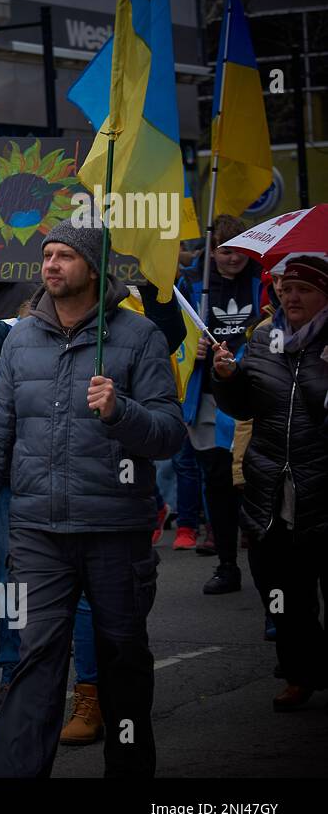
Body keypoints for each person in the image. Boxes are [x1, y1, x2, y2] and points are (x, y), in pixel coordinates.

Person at [0, 221, 185, 777]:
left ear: (95, 267)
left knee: (122, 659)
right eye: (46, 256)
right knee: (37, 661)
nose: (50, 265)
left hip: (115, 533)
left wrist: (121, 411)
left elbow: (170, 432)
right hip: (38, 535)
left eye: (64, 257)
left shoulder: (138, 336)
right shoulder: (23, 339)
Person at [212, 254, 328, 712]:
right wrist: (227, 378)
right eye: (286, 287)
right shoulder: (263, 337)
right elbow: (244, 406)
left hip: (322, 487)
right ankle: (301, 671)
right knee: (279, 589)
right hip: (272, 490)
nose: (291, 295)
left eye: (304, 288)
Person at [180, 214, 263, 594]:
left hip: (256, 400)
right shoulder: (194, 285)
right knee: (217, 480)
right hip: (210, 401)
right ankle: (227, 564)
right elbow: (171, 335)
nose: (233, 258)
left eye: (240, 250)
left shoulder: (265, 283)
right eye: (225, 250)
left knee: (254, 483)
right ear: (212, 252)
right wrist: (189, 349)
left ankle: (267, 568)